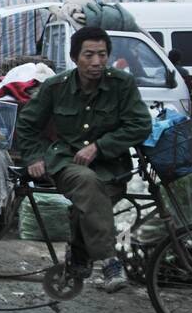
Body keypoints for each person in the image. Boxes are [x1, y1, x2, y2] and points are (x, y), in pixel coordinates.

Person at [15, 26, 152, 294]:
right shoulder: (56, 87)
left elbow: (140, 124)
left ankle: (78, 254)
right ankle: (110, 260)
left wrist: (99, 147)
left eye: (102, 54)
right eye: (89, 55)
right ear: (75, 57)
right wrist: (33, 156)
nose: (97, 62)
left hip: (110, 165)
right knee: (88, 183)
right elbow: (27, 125)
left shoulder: (121, 84)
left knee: (88, 201)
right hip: (65, 161)